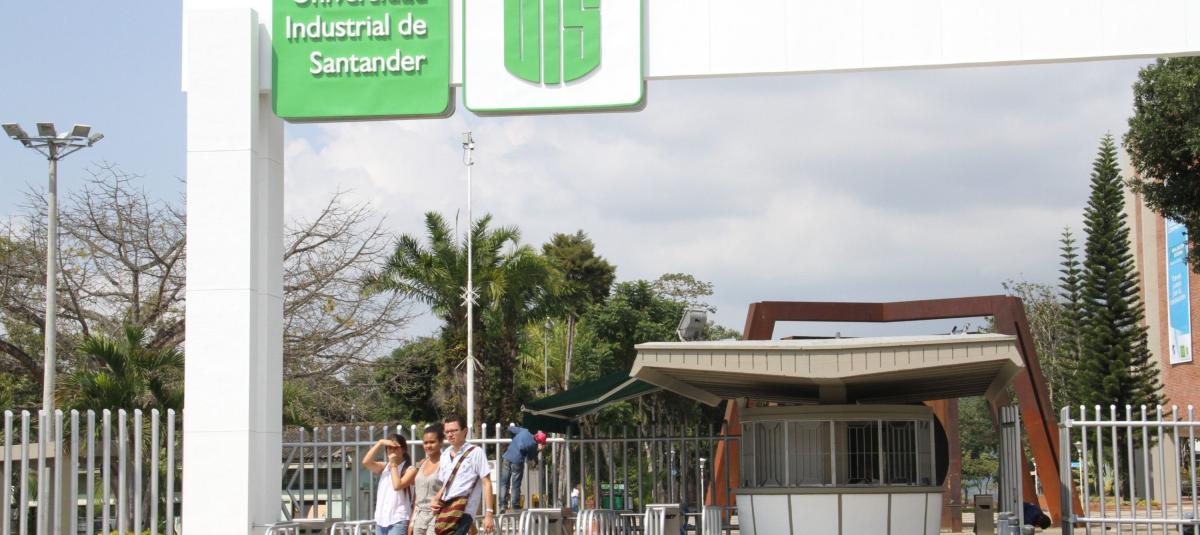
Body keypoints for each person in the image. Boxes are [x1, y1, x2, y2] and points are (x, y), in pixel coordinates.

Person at [432, 414, 495, 535]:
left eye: (454, 431)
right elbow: (445, 484)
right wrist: (436, 499)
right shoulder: (445, 454)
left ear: (465, 431)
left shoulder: (475, 452)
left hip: (465, 510)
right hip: (446, 510)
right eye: (447, 432)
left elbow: (487, 483)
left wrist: (489, 513)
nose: (450, 434)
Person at [363, 434, 418, 535]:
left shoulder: (410, 469)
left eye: (395, 447)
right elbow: (366, 462)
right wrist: (380, 443)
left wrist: (393, 464)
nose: (392, 450)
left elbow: (397, 486)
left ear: (403, 449)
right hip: (381, 521)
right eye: (389, 447)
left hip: (398, 520)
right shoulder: (385, 467)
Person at [409, 424, 444, 535]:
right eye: (425, 443)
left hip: (437, 515)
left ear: (441, 443)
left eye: (432, 442)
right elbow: (417, 495)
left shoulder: (446, 464)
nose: (428, 446)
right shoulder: (422, 464)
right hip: (419, 516)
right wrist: (412, 521)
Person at [498, 423, 542, 512]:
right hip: (517, 462)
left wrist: (514, 439)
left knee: (504, 483)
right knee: (515, 484)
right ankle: (514, 505)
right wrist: (538, 450)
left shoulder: (524, 431)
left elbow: (510, 428)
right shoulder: (533, 445)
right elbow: (530, 457)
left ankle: (502, 505)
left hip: (507, 457)